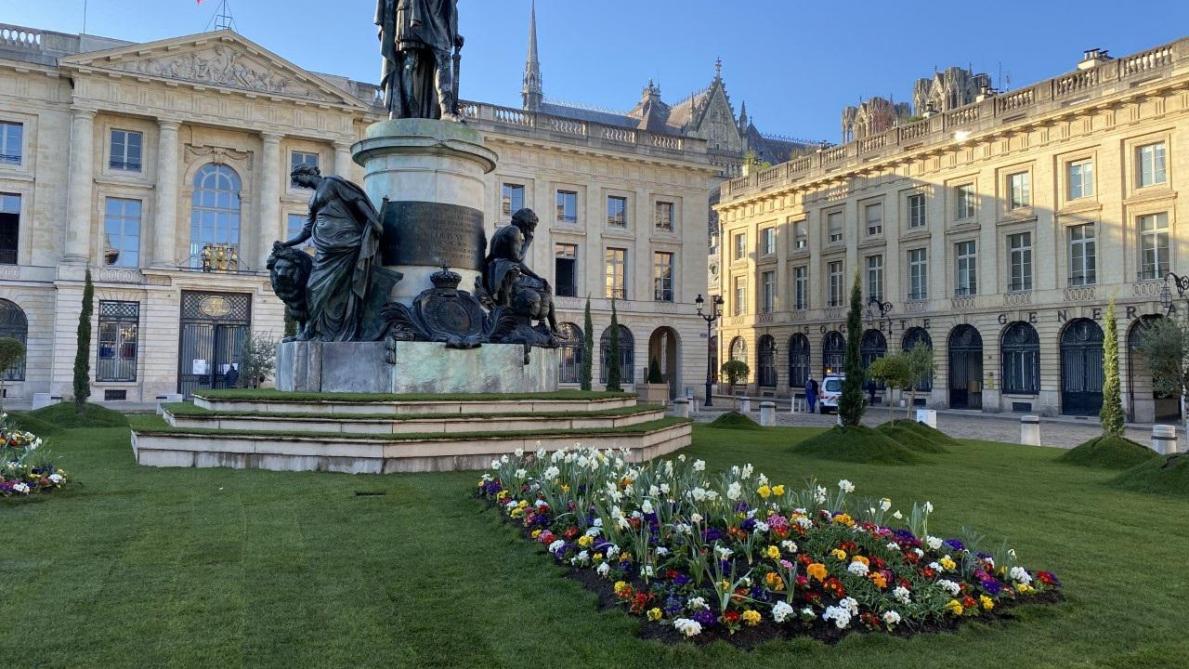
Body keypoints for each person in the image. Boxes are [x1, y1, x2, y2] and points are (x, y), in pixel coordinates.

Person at [276, 164, 383, 342]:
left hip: (345, 242)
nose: (299, 184)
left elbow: (357, 200)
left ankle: (315, 332)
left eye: (298, 179)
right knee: (316, 288)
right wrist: (287, 243)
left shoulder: (332, 183)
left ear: (307, 173)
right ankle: (319, 331)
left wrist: (374, 222)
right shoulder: (312, 200)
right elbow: (307, 230)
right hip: (326, 247)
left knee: (327, 288)